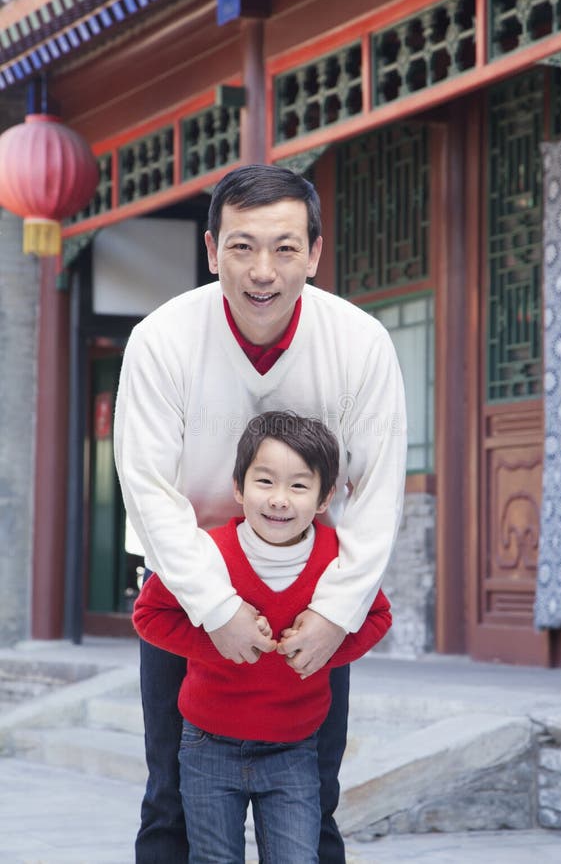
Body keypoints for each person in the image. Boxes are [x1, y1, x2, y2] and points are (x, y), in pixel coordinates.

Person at [113, 163, 407, 864]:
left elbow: (374, 490)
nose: (262, 270)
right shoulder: (161, 339)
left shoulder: (360, 343)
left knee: (314, 797)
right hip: (189, 592)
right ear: (212, 251)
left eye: (283, 246)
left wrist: (337, 612)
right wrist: (215, 605)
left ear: (315, 252)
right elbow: (148, 485)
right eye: (242, 247)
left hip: (310, 592)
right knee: (171, 800)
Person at [133, 411, 392, 864]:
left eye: (298, 485)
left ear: (325, 496)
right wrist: (215, 642)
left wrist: (324, 650)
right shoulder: (206, 553)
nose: (279, 500)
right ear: (238, 487)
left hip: (293, 749)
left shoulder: (338, 560)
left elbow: (378, 614)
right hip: (207, 745)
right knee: (213, 858)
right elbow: (149, 613)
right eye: (265, 481)